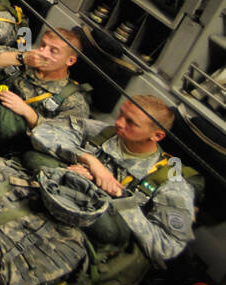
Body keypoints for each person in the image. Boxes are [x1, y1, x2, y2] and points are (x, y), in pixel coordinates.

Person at [27, 95, 198, 266]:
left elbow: (167, 246)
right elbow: (43, 131)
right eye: (121, 114)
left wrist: (119, 196)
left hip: (89, 243)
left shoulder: (170, 183)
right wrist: (87, 159)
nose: (119, 123)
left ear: (157, 135)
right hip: (56, 202)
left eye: (131, 122)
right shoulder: (104, 133)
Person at [0, 26, 91, 154]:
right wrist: (20, 58)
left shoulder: (74, 101)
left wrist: (28, 113)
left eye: (53, 51)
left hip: (8, 148)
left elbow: (65, 143)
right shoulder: (24, 59)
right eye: (42, 45)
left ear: (70, 60)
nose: (43, 53)